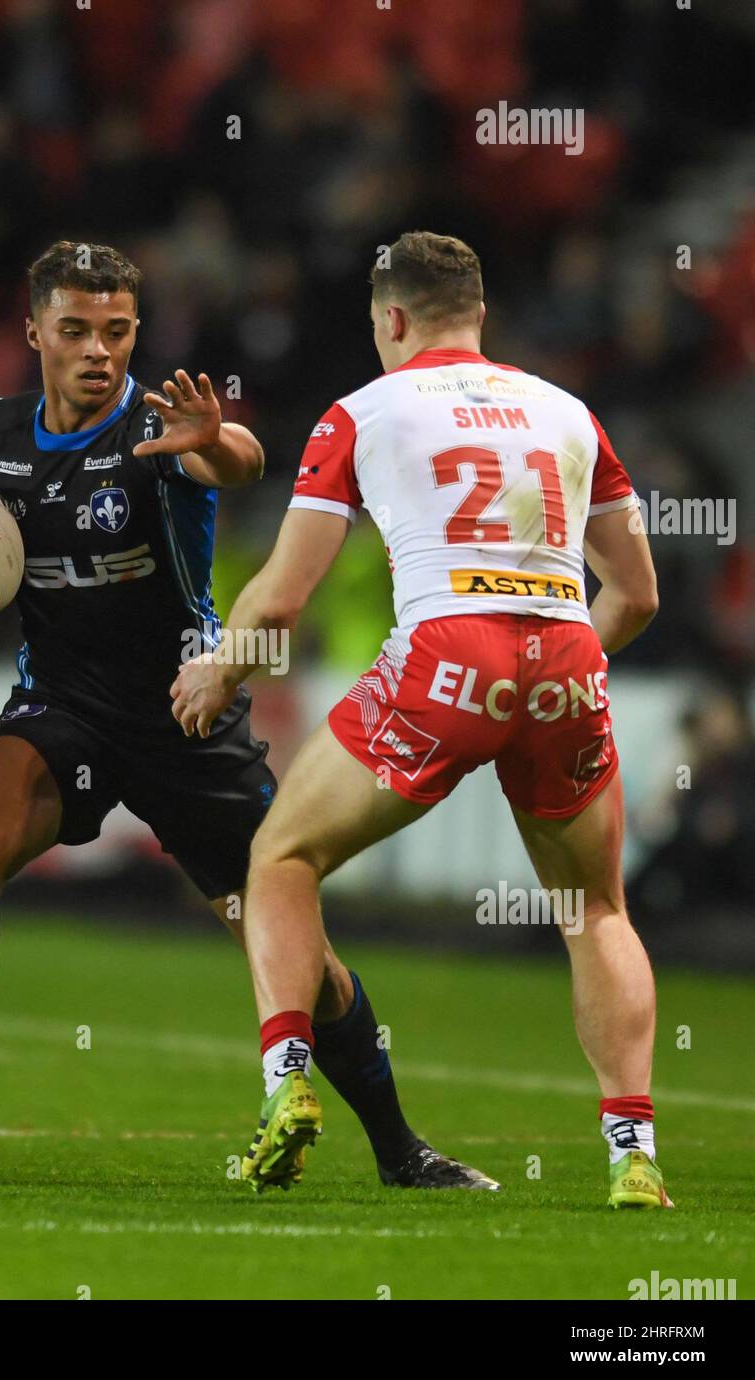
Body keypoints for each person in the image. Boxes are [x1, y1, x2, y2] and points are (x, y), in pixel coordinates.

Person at [0, 239, 487, 1191]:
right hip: (60, 707)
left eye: (116, 331)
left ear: (136, 332)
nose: (97, 351)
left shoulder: (159, 427)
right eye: (74, 331)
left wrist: (216, 439)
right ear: (35, 333)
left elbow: (242, 461)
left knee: (290, 947)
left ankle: (402, 1148)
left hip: (186, 716)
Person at [171, 231, 665, 1209]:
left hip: (446, 655)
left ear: (390, 319)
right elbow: (636, 594)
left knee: (280, 858)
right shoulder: (565, 410)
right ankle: (630, 1154)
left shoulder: (359, 411)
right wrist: (550, 685)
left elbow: (279, 599)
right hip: (564, 655)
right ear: (474, 313)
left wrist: (215, 674)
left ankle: (285, 1087)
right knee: (594, 910)